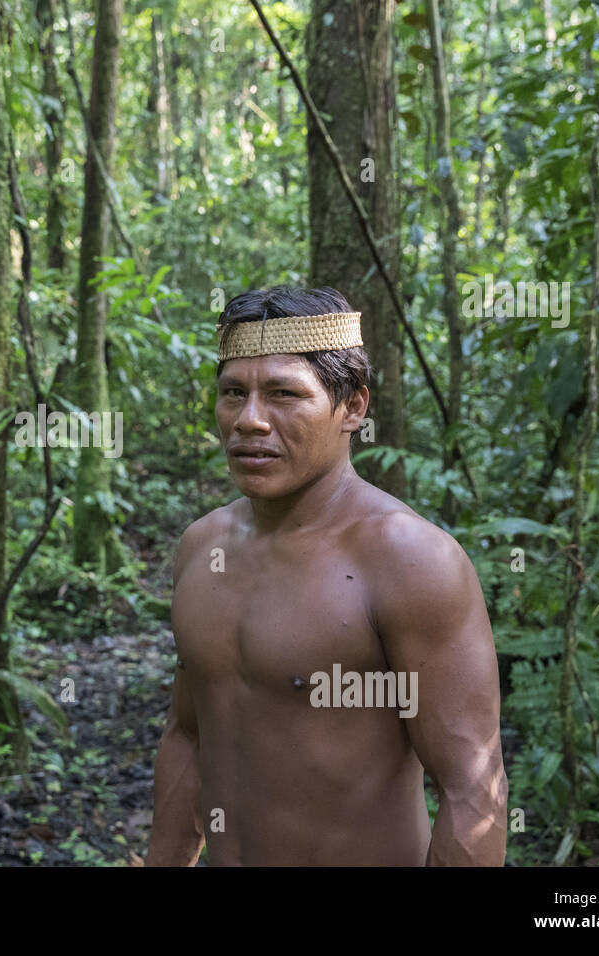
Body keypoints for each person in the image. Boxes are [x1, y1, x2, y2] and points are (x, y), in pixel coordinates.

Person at [145, 285, 508, 866]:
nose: (250, 420)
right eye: (233, 393)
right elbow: (188, 736)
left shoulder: (411, 560)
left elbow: (473, 789)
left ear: (354, 408)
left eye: (284, 394)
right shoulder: (201, 547)